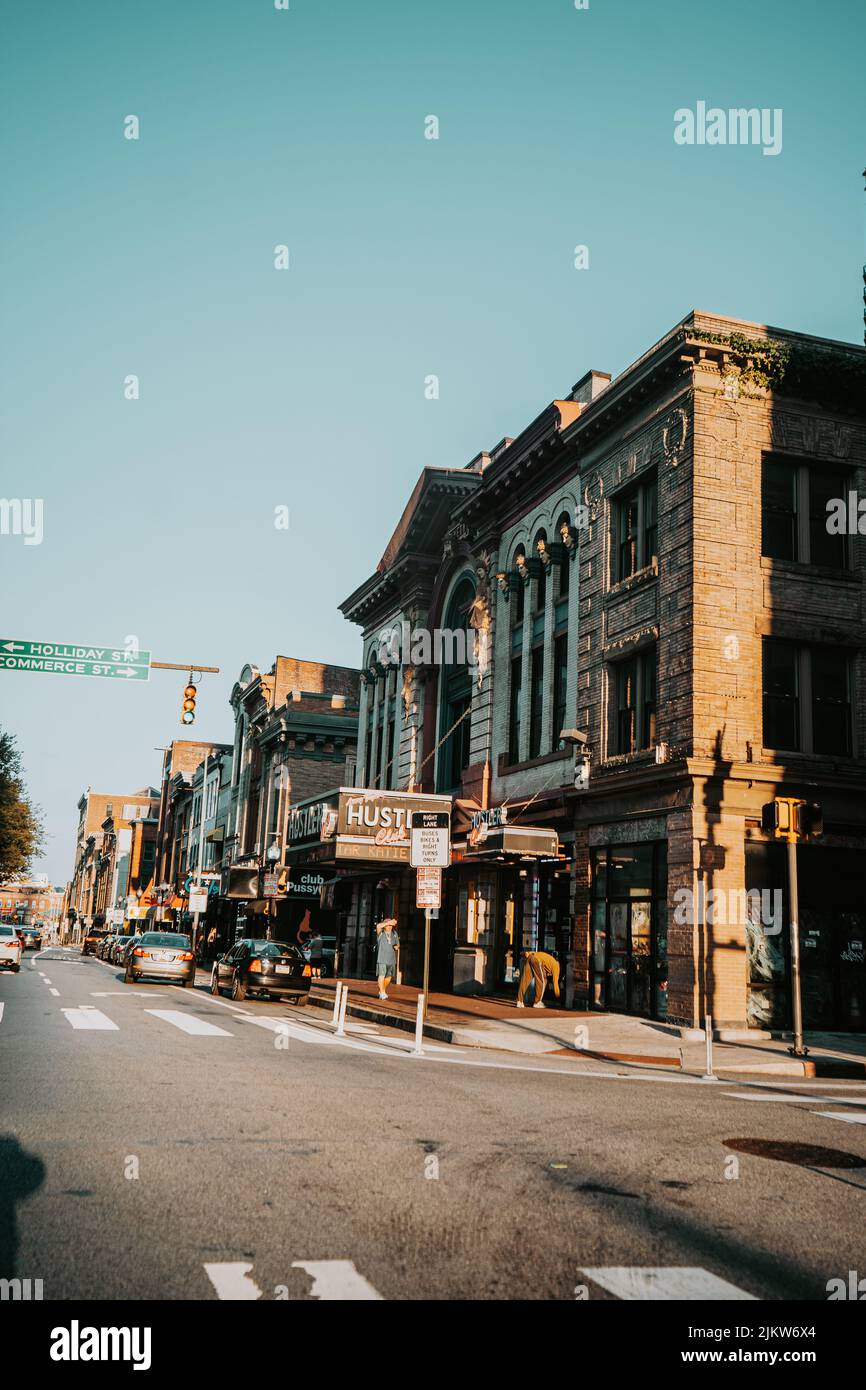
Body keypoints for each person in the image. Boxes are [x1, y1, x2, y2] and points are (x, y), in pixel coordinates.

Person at [374, 917, 399, 999]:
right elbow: (378, 926)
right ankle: (381, 993)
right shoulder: (381, 933)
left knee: (388, 977)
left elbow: (398, 944)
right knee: (381, 975)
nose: (390, 926)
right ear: (384, 925)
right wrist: (389, 922)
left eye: (391, 925)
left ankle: (382, 990)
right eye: (388, 924)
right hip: (381, 958)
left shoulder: (394, 933)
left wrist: (397, 946)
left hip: (391, 959)